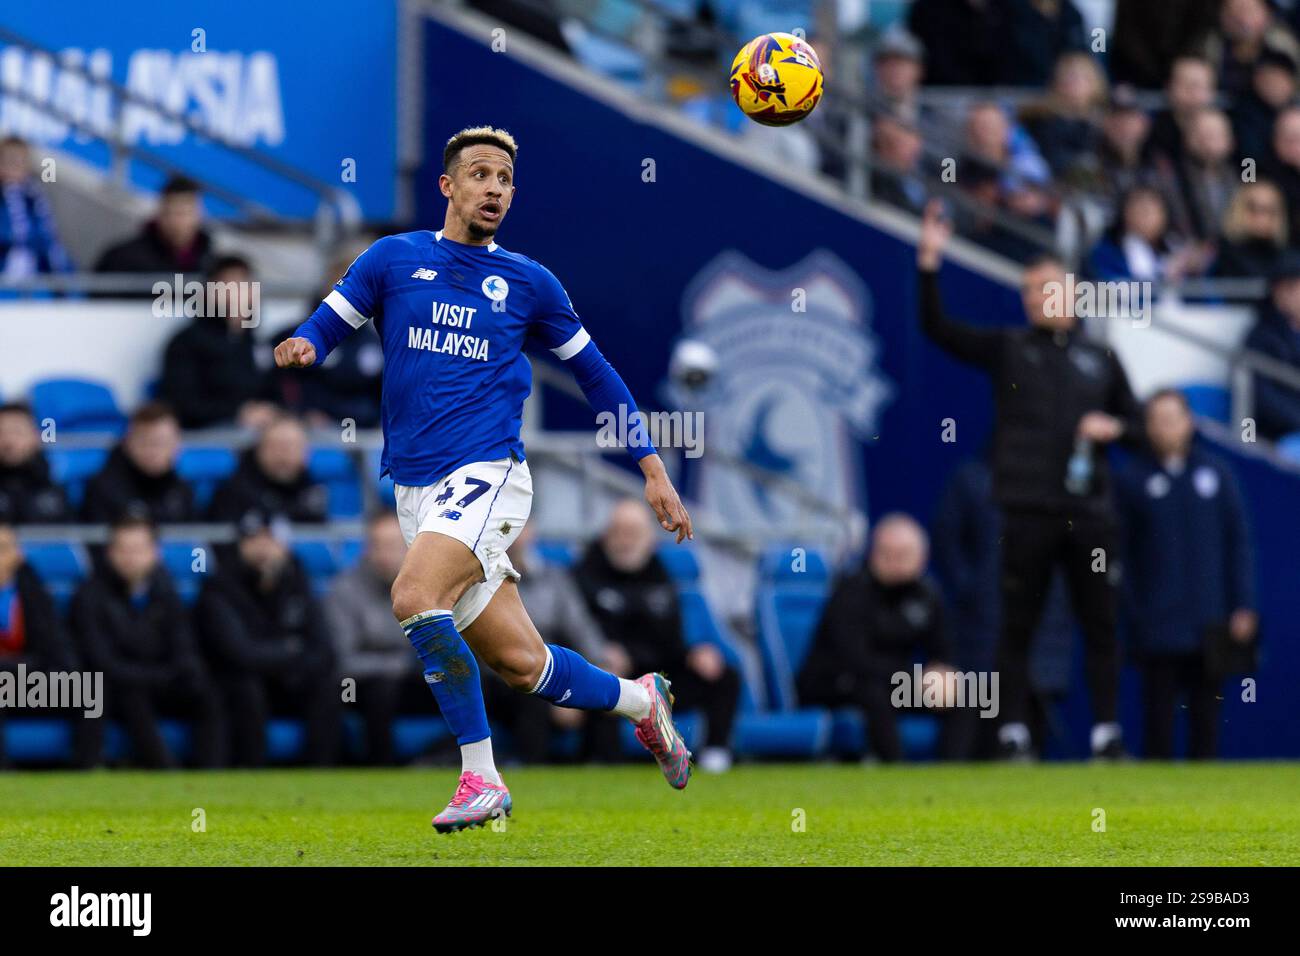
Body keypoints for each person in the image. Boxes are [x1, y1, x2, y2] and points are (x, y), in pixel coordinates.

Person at [273, 126, 696, 831]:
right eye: (479, 174)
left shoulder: (530, 282)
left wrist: (652, 467)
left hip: (489, 472)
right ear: (448, 186)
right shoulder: (393, 259)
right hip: (413, 487)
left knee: (411, 595)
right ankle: (640, 702)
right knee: (524, 667)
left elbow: (598, 376)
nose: (494, 187)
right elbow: (329, 323)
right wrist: (302, 346)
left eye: (504, 177)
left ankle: (479, 778)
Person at [916, 199, 1142, 760]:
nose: (1034, 298)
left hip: (1088, 512)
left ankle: (1107, 732)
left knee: (1099, 622)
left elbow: (1140, 426)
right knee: (1018, 622)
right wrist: (928, 266)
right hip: (1026, 509)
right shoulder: (1009, 349)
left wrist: (1112, 426)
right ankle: (1013, 732)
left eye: (1045, 288)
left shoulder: (1100, 359)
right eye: (1028, 290)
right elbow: (938, 329)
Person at [1116, 389, 1257, 758]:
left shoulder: (1216, 473)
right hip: (1157, 626)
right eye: (1157, 420)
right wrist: (1134, 612)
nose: (1166, 428)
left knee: (1206, 720)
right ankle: (1154, 807)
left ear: (1189, 422)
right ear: (1147, 427)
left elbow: (1237, 543)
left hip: (1210, 622)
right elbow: (1121, 556)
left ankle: (1204, 806)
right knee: (1158, 722)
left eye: (1173, 418)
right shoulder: (1131, 480)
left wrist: (1242, 605)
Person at [576, 500, 739, 773]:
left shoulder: (660, 573)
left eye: (633, 533)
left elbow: (672, 639)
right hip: (614, 673)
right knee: (598, 680)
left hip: (658, 675)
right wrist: (601, 653)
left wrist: (694, 654)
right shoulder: (585, 573)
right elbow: (572, 630)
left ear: (649, 539)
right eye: (619, 532)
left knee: (724, 675)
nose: (625, 541)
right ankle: (605, 764)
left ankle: (715, 753)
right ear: (606, 536)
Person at [70, 517, 225, 768]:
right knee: (127, 694)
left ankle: (212, 773)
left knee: (206, 690)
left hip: (160, 679)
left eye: (138, 549)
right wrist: (157, 674)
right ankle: (164, 770)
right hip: (119, 685)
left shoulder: (166, 592)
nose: (130, 558)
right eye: (124, 549)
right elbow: (101, 660)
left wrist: (175, 673)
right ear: (110, 553)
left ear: (155, 552)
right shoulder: (89, 595)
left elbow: (183, 646)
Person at [797, 514, 953, 763]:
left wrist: (941, 672)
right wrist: (915, 679)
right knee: (874, 691)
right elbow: (856, 659)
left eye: (903, 554)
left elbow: (941, 649)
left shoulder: (927, 593)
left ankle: (956, 770)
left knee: (968, 691)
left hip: (894, 682)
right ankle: (893, 772)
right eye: (886, 553)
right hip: (834, 682)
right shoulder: (851, 590)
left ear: (922, 556)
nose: (894, 562)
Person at [195, 508, 341, 767]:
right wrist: (291, 649)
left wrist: (288, 657)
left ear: (284, 545)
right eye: (254, 539)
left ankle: (321, 773)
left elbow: (323, 648)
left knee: (327, 686)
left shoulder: (298, 580)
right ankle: (252, 773)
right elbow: (237, 653)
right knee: (246, 688)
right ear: (240, 545)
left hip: (290, 679)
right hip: (243, 682)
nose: (263, 548)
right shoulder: (219, 586)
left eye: (270, 539)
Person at [485, 523, 624, 765]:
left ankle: (604, 772)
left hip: (550, 667)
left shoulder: (554, 577)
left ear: (531, 531)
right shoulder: (482, 580)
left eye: (520, 527)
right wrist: (556, 691)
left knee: (603, 684)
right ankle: (533, 772)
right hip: (504, 677)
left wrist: (601, 661)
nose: (514, 537)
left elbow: (579, 626)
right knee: (529, 695)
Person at [323, 512, 426, 765]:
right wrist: (400, 664)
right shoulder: (345, 590)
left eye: (393, 546)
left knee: (464, 680)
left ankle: (462, 764)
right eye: (377, 545)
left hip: (417, 679)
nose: (384, 555)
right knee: (379, 689)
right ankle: (381, 767)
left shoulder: (428, 587)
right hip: (361, 686)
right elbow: (343, 660)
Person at [0, 523, 100, 769]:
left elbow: (56, 651)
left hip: (27, 684)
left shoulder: (35, 594)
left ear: (18, 554)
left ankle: (84, 775)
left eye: (2, 549)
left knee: (90, 691)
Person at [157, 254, 281, 430]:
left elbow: (275, 391)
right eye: (228, 286)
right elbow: (183, 405)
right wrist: (237, 413)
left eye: (244, 285)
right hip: (208, 434)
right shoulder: (186, 344)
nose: (238, 294)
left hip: (259, 432)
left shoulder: (257, 343)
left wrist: (273, 410)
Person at [80, 402, 196, 526]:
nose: (153, 451)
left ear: (177, 445)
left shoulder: (183, 490)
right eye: (145, 442)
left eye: (161, 442)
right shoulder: (102, 489)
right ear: (127, 442)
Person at [207, 414, 329, 525]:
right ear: (259, 451)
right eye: (275, 447)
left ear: (306, 453)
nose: (282, 455)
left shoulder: (315, 493)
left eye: (290, 447)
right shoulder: (233, 493)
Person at [93, 175, 214, 282]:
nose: (175, 221)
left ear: (199, 215)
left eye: (183, 213)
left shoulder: (210, 261)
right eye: (169, 213)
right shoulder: (122, 258)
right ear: (159, 214)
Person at [1244, 252, 1300, 439]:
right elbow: (1261, 398)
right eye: (1293, 288)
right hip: (1280, 435)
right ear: (1278, 292)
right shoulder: (1260, 339)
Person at [0, 135, 71, 279]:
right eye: (9, 161)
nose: (15, 166)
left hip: (35, 271)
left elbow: (48, 235)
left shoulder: (34, 196)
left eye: (20, 161)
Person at [0, 402, 71, 524]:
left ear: (35, 436)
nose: (9, 441)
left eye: (17, 432)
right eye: (2, 433)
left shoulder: (53, 488)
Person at [1212, 180, 1289, 281]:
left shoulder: (1284, 254)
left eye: (1269, 210)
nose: (1262, 217)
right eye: (1253, 208)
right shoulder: (1222, 251)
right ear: (1238, 209)